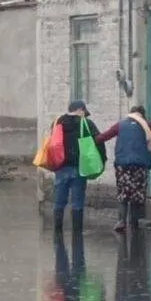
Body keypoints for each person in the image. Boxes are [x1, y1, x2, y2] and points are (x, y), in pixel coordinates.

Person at [96, 107, 151, 233]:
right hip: (139, 165)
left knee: (123, 192)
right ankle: (134, 223)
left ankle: (121, 221)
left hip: (123, 165)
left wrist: (86, 140)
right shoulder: (147, 125)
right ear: (142, 115)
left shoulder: (120, 125)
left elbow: (102, 137)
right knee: (137, 194)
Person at [51, 100, 109, 235]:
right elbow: (99, 142)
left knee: (59, 202)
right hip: (79, 168)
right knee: (77, 203)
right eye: (84, 111)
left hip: (61, 169)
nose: (84, 114)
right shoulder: (87, 124)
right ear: (80, 110)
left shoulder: (57, 123)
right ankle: (77, 233)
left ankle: (57, 232)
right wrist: (102, 159)